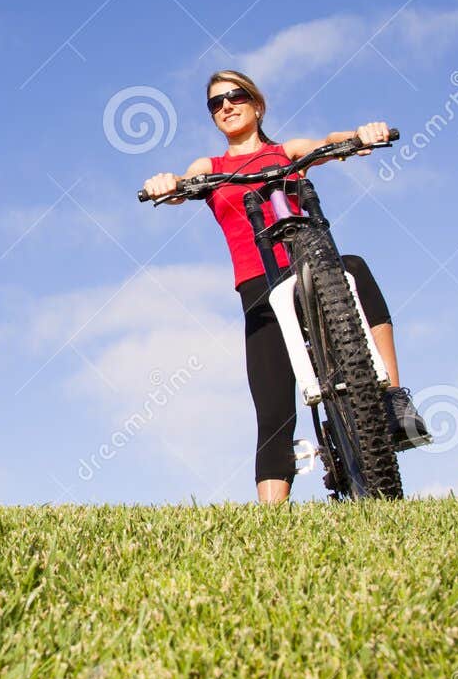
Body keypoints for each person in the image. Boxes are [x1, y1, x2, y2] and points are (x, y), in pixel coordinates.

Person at [141, 69, 430, 504]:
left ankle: (392, 398)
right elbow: (184, 185)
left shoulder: (284, 151)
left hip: (312, 266)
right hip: (258, 290)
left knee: (355, 269)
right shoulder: (212, 168)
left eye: (236, 96)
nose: (226, 106)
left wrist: (359, 136)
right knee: (273, 410)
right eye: (215, 103)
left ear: (257, 105)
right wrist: (167, 184)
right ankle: (271, 526)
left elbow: (323, 145)